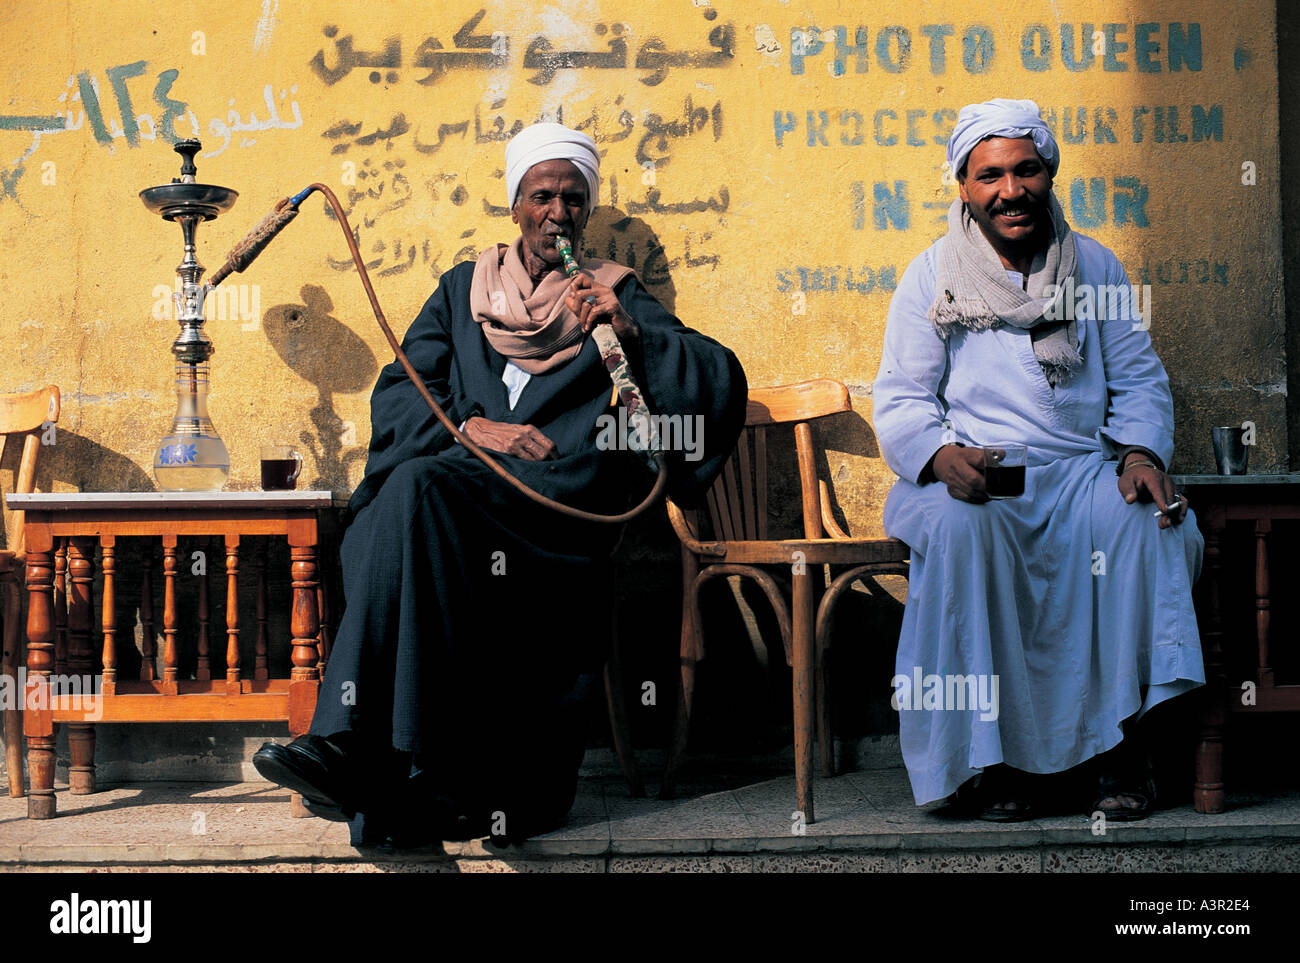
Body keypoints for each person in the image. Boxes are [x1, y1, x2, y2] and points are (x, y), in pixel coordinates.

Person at [254, 122, 748, 845]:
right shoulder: (463, 290)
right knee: (402, 503)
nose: (558, 213)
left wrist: (636, 337)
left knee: (415, 494)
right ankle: (409, 772)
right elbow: (401, 392)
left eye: (573, 199)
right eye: (542, 196)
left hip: (556, 514)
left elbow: (716, 377)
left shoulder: (613, 292)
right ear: (515, 205)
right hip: (458, 499)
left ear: (587, 209)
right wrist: (466, 427)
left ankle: (350, 741)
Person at [872, 99, 1204, 822]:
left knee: (1152, 526)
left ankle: (1121, 750)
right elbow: (900, 399)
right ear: (963, 186)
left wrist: (1140, 454)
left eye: (1026, 170)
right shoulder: (932, 277)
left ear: (1049, 175)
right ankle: (993, 763)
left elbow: (1140, 380)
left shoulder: (1096, 266)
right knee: (966, 535)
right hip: (977, 475)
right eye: (989, 175)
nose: (1010, 190)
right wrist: (938, 455)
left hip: (1082, 471)